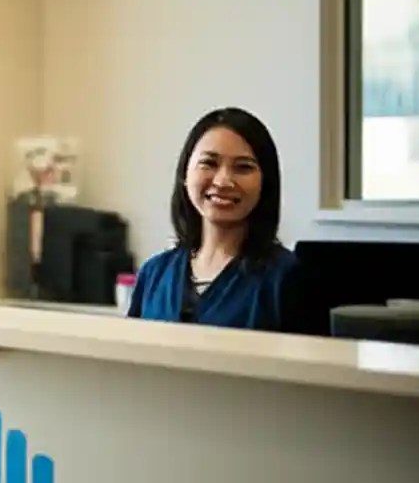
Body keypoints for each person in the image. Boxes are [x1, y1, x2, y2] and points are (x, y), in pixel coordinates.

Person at [127, 107, 308, 333]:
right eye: (209, 163)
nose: (223, 181)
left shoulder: (287, 278)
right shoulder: (154, 273)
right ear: (185, 174)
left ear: (265, 183)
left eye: (243, 167)